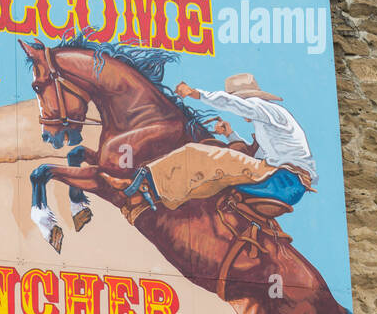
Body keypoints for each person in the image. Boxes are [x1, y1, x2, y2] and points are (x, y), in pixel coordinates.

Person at [121, 73, 316, 215]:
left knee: (196, 153)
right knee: (213, 177)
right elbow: (252, 159)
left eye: (240, 105)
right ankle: (163, 198)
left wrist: (195, 93)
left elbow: (234, 105)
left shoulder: (264, 109)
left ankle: (149, 183)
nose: (241, 112)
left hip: (283, 180)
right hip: (283, 181)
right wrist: (231, 135)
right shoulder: (268, 125)